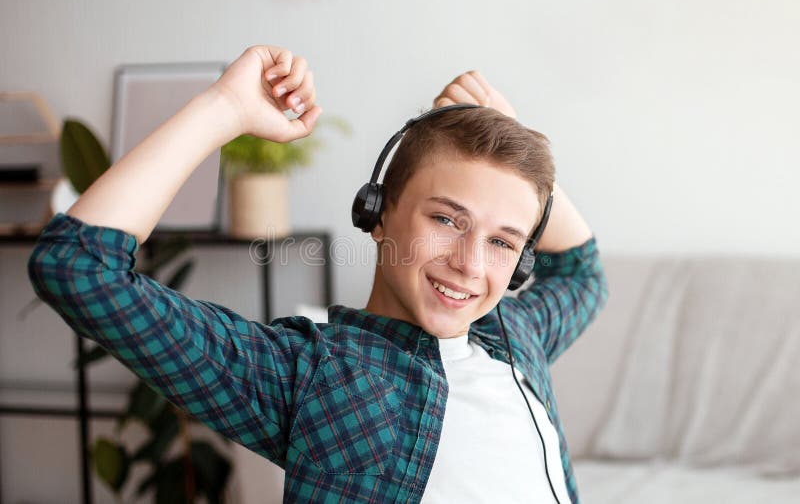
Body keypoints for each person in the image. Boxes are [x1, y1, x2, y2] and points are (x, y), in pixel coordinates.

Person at [27, 44, 608, 503]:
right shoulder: (309, 376)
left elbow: (583, 272)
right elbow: (77, 268)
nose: (470, 264)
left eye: (503, 241)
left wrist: (519, 158)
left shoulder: (517, 336)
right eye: (447, 220)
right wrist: (226, 108)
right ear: (377, 214)